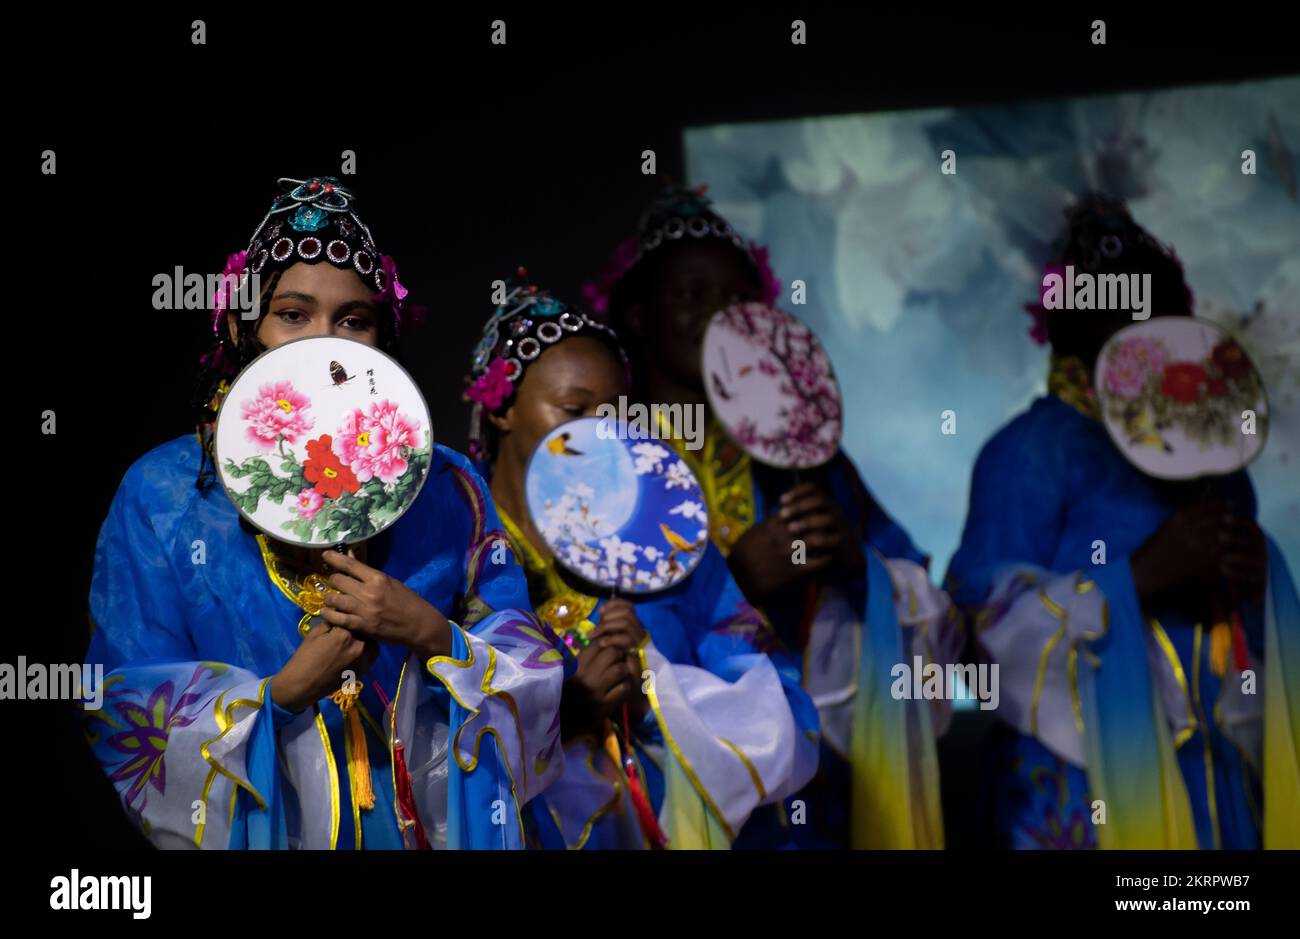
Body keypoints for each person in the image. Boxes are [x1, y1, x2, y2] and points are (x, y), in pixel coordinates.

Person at [81, 177, 564, 849]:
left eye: (352, 320)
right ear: (239, 324)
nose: (323, 342)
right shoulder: (163, 492)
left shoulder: (447, 482)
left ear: (381, 334)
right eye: (293, 314)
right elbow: (124, 701)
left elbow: (530, 663)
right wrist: (277, 697)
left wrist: (432, 634)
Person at [585, 186, 960, 848]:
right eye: (692, 295)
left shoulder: (808, 457)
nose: (720, 317)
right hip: (682, 790)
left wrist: (856, 565)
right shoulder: (615, 462)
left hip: (821, 782)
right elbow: (591, 630)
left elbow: (941, 617)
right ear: (639, 315)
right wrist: (737, 580)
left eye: (738, 299)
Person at [945, 192, 1299, 849]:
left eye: (1156, 308)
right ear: (1066, 324)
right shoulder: (1030, 451)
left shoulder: (1220, 466)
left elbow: (1251, 645)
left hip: (1213, 776)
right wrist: (1138, 576)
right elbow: (977, 625)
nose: (1138, 322)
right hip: (1082, 782)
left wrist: (1258, 579)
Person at [465, 269, 819, 848]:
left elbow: (784, 709)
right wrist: (566, 710)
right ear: (502, 409)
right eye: (573, 411)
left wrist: (654, 694)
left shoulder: (670, 538)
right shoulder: (460, 543)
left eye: (614, 415)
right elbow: (422, 725)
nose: (598, 436)